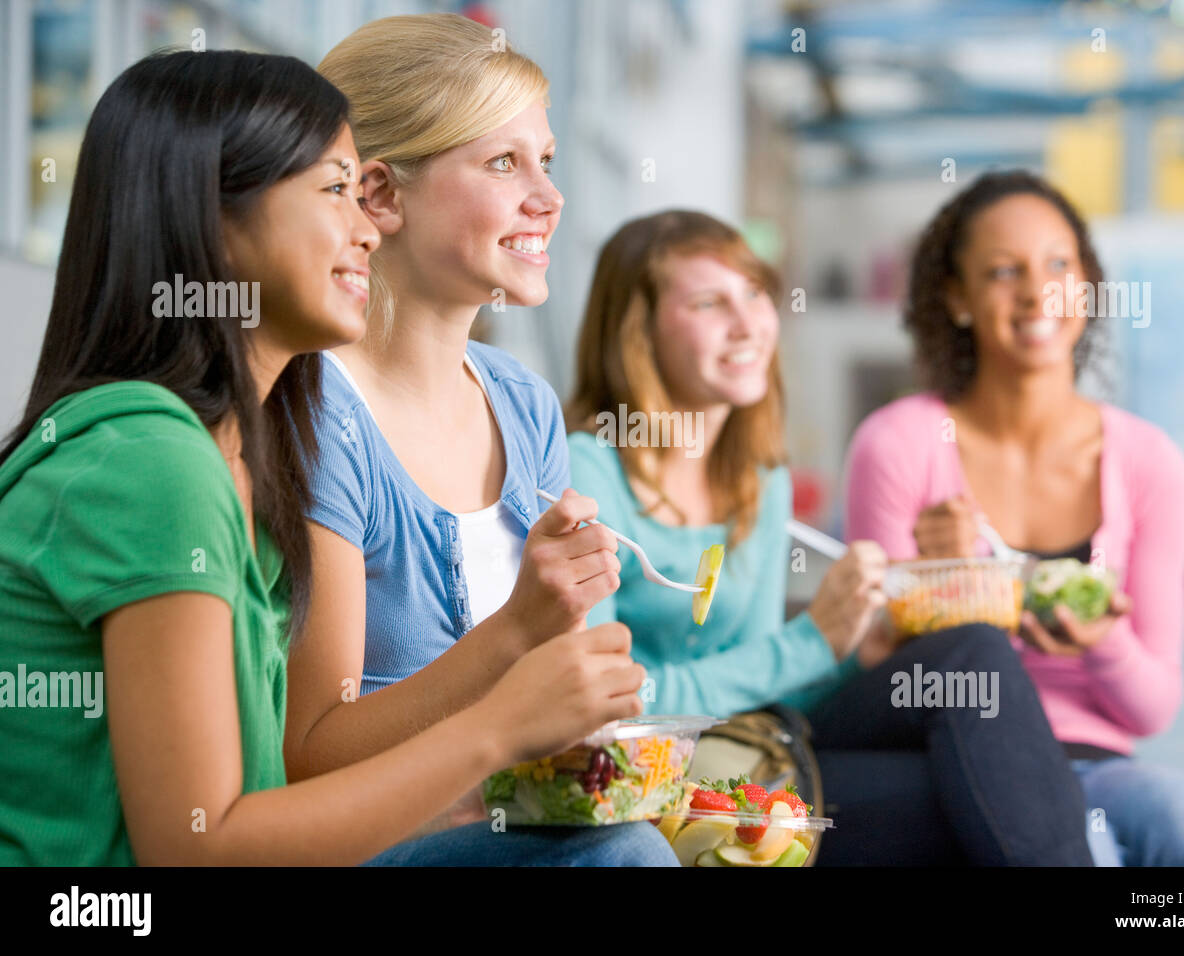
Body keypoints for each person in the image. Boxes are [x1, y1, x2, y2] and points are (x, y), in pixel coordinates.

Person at [0, 50, 650, 866]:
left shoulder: (231, 448)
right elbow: (199, 851)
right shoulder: (156, 465)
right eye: (337, 190)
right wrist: (497, 729)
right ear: (216, 222)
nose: (369, 224)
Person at [566, 209, 1095, 865]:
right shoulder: (586, 473)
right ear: (637, 332)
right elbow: (609, 703)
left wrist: (859, 645)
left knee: (973, 656)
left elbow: (761, 685)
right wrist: (815, 638)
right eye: (709, 302)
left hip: (754, 744)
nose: (748, 323)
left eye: (755, 294)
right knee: (980, 793)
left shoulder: (758, 476)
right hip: (645, 778)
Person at [282, 15, 675, 864]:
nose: (549, 196)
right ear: (381, 197)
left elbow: (554, 706)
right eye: (504, 163)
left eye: (549, 161)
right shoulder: (312, 412)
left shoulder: (523, 405)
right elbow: (309, 755)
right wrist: (517, 633)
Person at [843, 169, 1184, 866]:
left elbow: (1152, 710)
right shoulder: (899, 443)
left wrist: (1103, 643)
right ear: (957, 299)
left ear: (1088, 283)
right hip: (953, 761)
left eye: (1059, 264)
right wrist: (930, 581)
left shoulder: (1150, 463)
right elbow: (866, 662)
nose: (1037, 292)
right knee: (1092, 848)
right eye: (1003, 271)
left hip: (1099, 762)